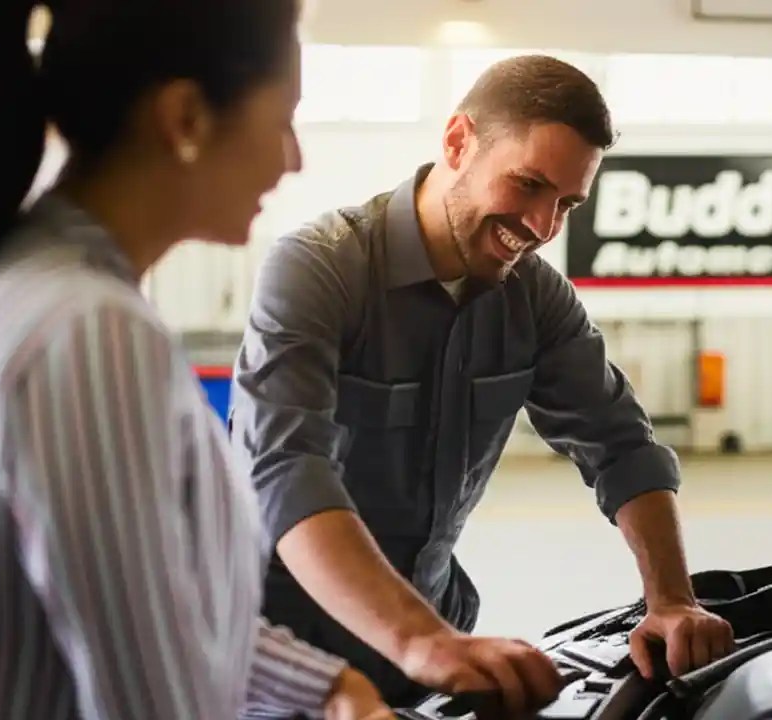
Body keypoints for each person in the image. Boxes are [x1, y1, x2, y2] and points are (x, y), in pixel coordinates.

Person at [228, 54, 737, 716]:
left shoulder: (534, 298)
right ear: (457, 142)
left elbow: (620, 445)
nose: (543, 227)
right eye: (527, 184)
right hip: (276, 661)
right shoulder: (320, 269)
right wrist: (423, 642)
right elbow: (286, 470)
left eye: (567, 203)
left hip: (431, 648)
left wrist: (671, 600)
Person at [0, 1, 393, 718]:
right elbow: (152, 699)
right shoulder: (89, 337)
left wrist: (331, 685)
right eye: (282, 119)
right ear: (186, 118)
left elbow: (150, 618)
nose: (294, 157)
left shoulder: (36, 285)